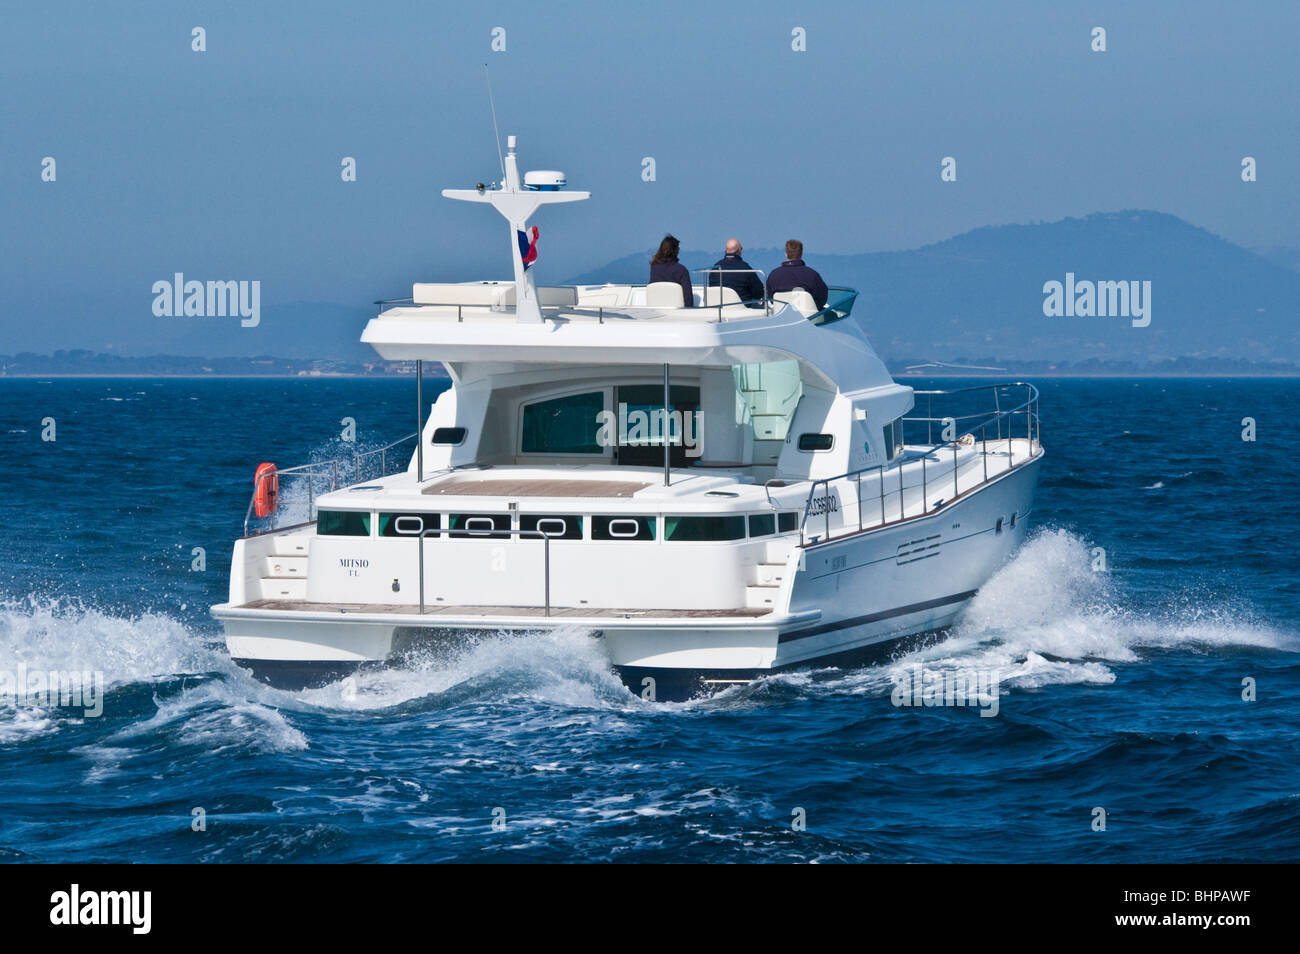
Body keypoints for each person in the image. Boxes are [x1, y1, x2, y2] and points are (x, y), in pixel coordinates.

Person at [765, 239, 829, 310]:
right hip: (809, 318)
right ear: (801, 254)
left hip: (782, 318)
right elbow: (822, 299)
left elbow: (771, 299)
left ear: (786, 254)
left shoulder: (773, 275)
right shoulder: (812, 275)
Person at [707, 238, 763, 304]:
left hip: (718, 308)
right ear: (739, 250)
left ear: (726, 251)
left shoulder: (715, 268)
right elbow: (759, 292)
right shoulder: (745, 268)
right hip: (742, 309)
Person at [648, 235, 694, 307]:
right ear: (675, 251)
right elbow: (688, 298)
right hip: (677, 313)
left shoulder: (654, 268)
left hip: (656, 312)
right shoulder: (681, 270)